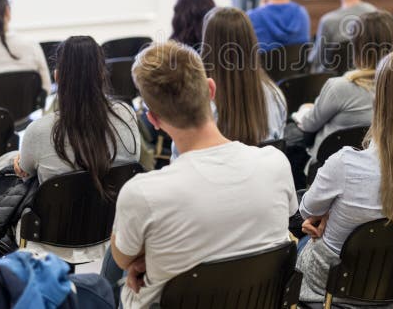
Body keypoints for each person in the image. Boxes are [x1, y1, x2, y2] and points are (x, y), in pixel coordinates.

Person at [110, 41, 296, 309]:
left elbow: (121, 258)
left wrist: (150, 257)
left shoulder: (143, 193)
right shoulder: (275, 163)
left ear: (154, 120)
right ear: (210, 89)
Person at [296, 50, 393, 307]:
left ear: (378, 101)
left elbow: (307, 210)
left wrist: (328, 214)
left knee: (301, 243)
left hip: (334, 287)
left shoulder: (345, 164)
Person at [13, 36, 141, 262]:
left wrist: (20, 164)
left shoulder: (39, 131)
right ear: (102, 74)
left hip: (52, 238)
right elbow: (133, 161)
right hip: (112, 228)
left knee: (2, 173)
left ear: (57, 77)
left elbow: (25, 171)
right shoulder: (127, 115)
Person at [295, 10, 393, 168]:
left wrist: (304, 111)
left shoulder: (339, 88)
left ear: (357, 47)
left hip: (330, 175)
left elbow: (307, 125)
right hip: (389, 172)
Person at [200, 7, 286, 144]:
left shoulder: (200, 102)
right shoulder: (274, 94)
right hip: (264, 165)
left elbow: (182, 155)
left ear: (208, 46)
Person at [307, 0, 376, 72]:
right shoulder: (374, 13)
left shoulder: (328, 21)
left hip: (335, 81)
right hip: (368, 75)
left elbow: (317, 60)